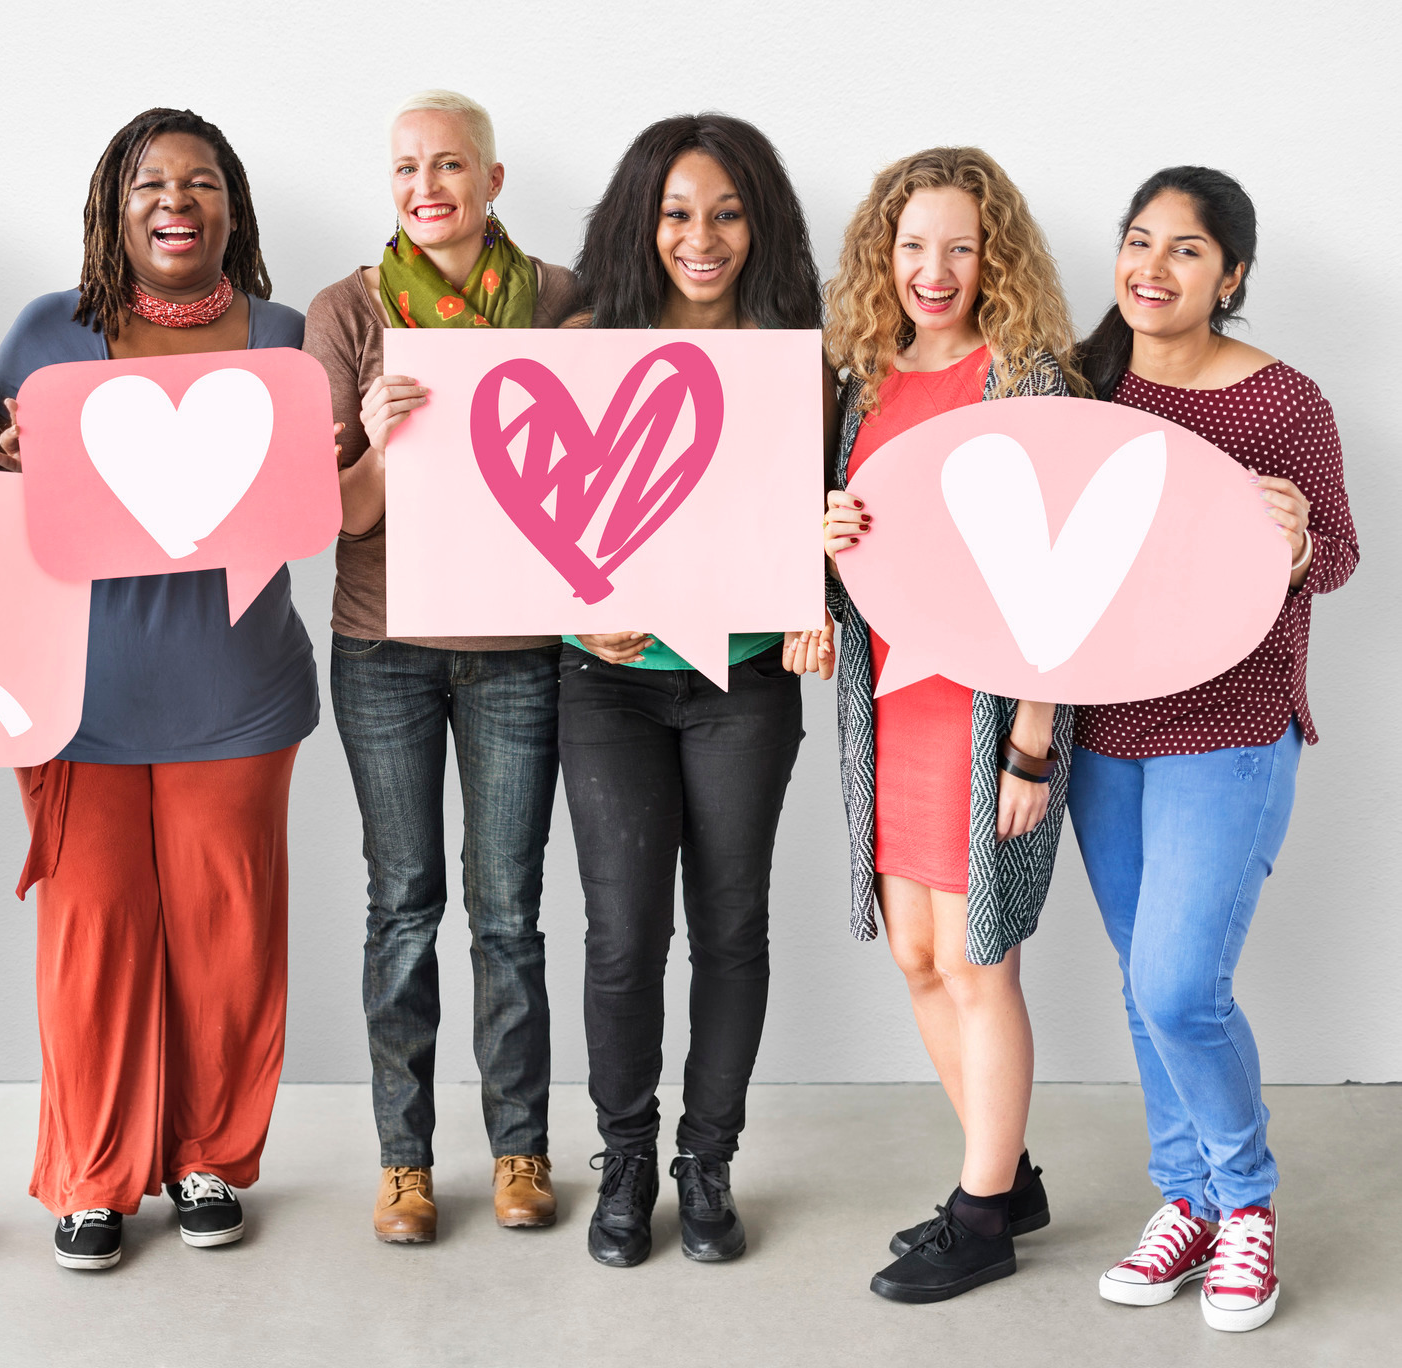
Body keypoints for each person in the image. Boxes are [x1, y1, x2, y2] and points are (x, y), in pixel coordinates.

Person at [0, 107, 318, 1271]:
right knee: (92, 938)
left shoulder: (287, 339)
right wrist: (5, 472)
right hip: (75, 703)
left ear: (232, 206)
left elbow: (332, 508)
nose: (174, 201)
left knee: (225, 939)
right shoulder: (45, 334)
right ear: (111, 211)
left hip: (237, 696)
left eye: (199, 182)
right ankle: (90, 1174)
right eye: (148, 185)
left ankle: (208, 1159)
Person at [1069, 167, 1357, 1334]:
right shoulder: (1082, 388)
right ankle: (1183, 1198)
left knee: (1178, 984)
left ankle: (1244, 1205)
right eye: (1138, 241)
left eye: (1184, 250)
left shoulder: (1283, 401)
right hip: (1101, 729)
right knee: (1146, 993)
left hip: (1231, 725)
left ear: (1228, 275)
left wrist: (1292, 542)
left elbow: (1337, 552)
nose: (1152, 267)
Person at [303, 89, 579, 1244]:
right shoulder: (344, 310)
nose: (428, 187)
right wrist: (372, 430)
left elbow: (585, 487)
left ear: (493, 181)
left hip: (519, 654)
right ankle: (404, 1164)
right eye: (407, 168)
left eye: (451, 165)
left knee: (508, 912)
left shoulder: (562, 301)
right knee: (402, 908)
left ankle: (518, 1151)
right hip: (384, 650)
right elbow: (337, 516)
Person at [560, 113, 833, 1269]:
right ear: (641, 222)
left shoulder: (804, 357)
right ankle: (624, 1159)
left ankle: (703, 1160)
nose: (701, 236)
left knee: (729, 927)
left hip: (745, 682)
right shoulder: (582, 341)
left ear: (758, 223)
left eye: (725, 211)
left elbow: (838, 519)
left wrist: (820, 588)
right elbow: (530, 515)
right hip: (608, 684)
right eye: (676, 212)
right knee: (624, 934)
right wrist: (570, 605)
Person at [821, 147, 1083, 1303]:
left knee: (981, 960)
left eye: (959, 247)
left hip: (986, 717)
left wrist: (1032, 740)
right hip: (885, 705)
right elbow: (858, 556)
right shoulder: (862, 379)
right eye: (913, 244)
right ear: (885, 251)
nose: (933, 269)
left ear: (994, 258)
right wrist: (819, 542)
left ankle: (980, 1220)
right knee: (922, 957)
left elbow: (1065, 581)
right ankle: (1003, 1172)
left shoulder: (1025, 378)